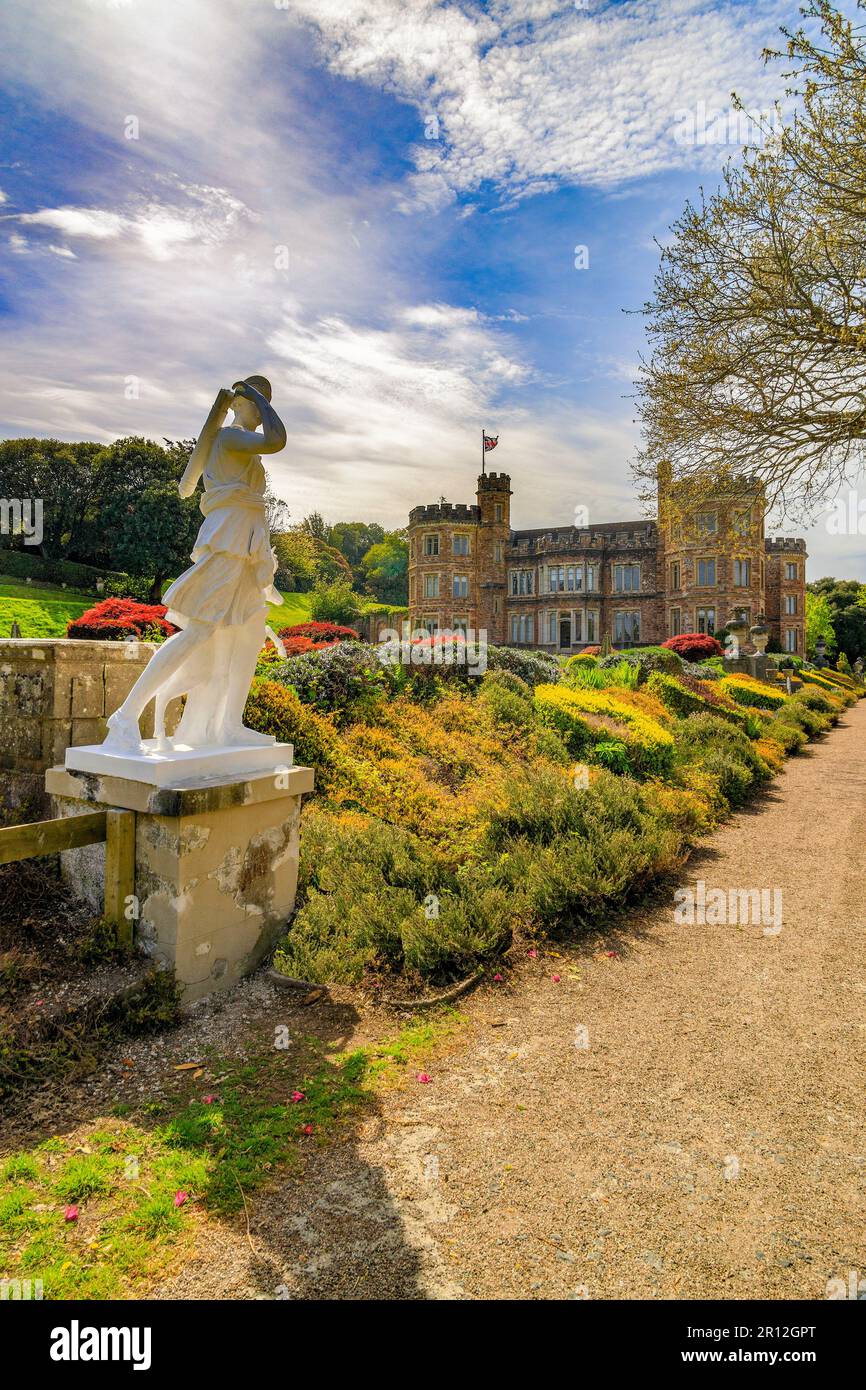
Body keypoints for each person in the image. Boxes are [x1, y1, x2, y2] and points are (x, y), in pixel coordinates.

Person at [104, 375, 287, 752]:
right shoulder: (230, 438)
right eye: (259, 399)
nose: (265, 404)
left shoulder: (242, 446)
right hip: (229, 541)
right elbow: (277, 440)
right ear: (241, 403)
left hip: (247, 543)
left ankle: (226, 726)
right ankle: (124, 716)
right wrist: (254, 397)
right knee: (199, 631)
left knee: (242, 635)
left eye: (266, 399)